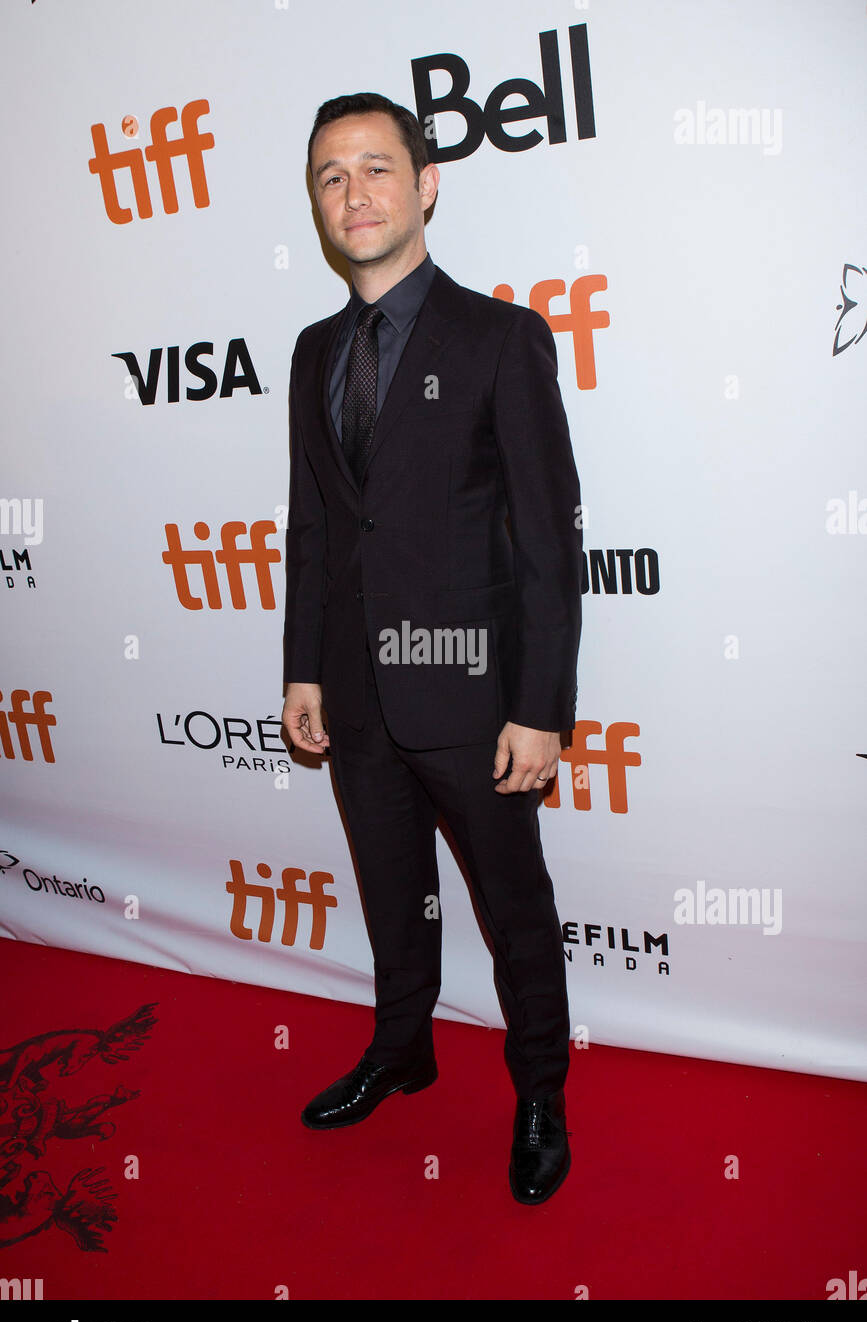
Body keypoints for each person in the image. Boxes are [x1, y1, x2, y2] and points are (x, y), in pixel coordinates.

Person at [281, 92, 583, 1204]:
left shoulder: (501, 337)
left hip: (475, 699)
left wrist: (541, 704)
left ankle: (541, 1090)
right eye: (329, 176)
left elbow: (551, 538)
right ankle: (403, 1047)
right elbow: (316, 525)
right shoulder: (315, 350)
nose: (353, 193)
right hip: (357, 699)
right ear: (316, 203)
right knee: (393, 887)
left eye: (375, 168)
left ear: (426, 184)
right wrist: (303, 667)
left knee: (515, 909)